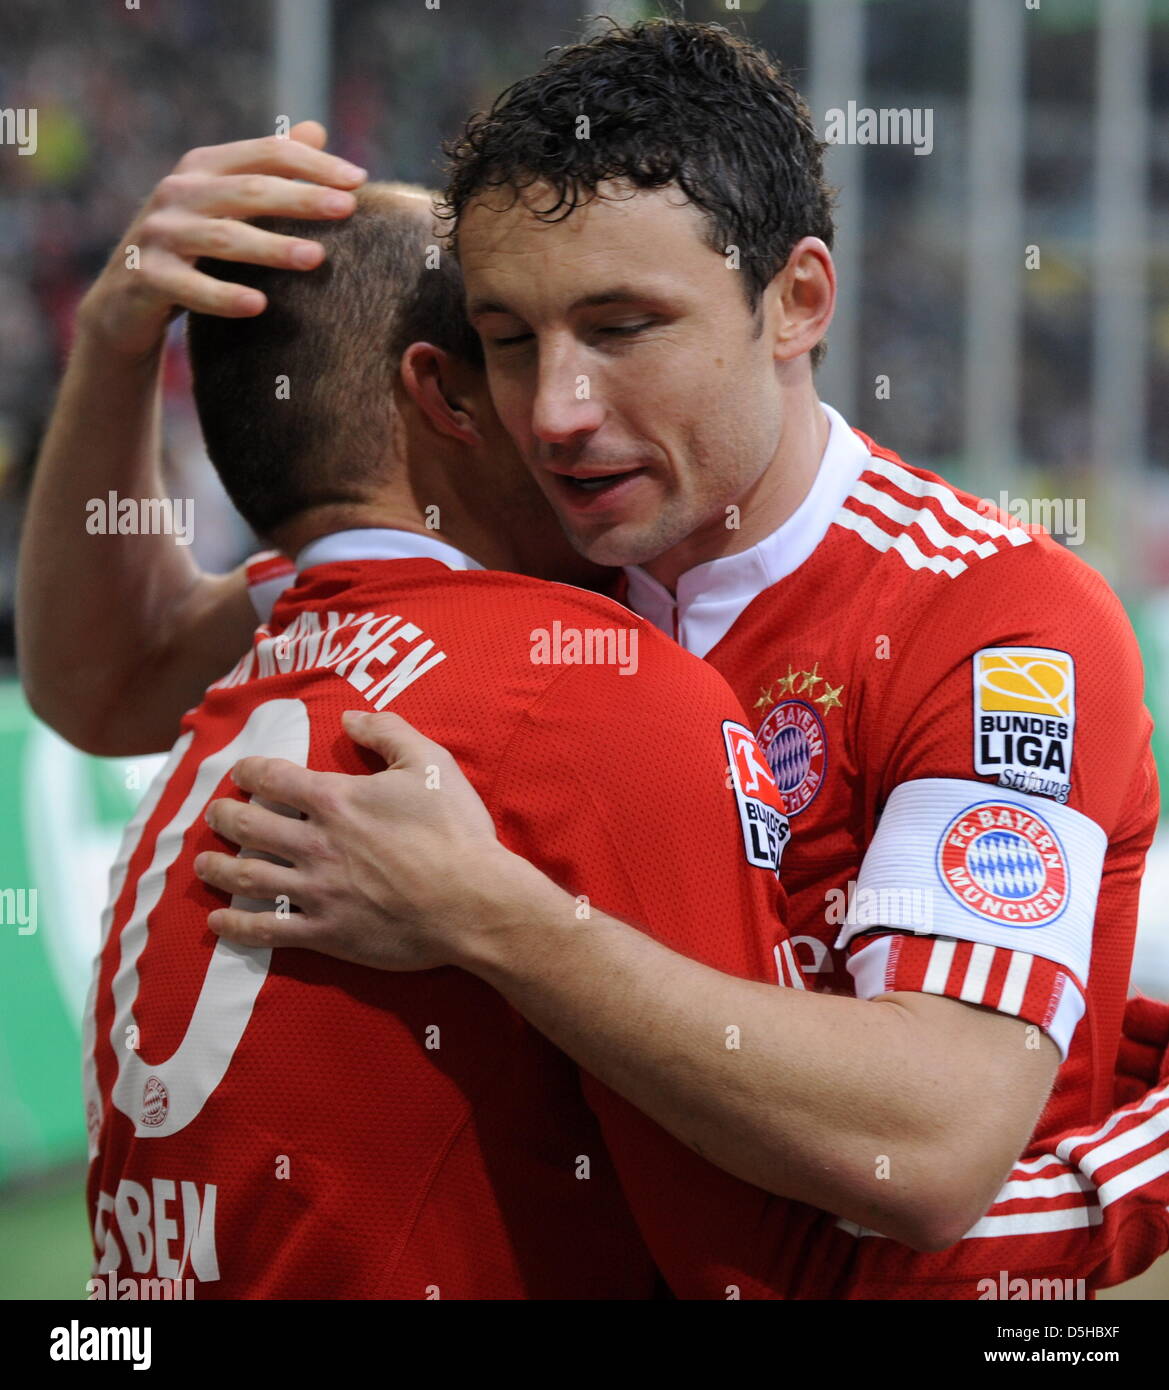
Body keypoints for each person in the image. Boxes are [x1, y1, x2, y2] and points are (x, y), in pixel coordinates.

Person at [19, 29, 1168, 1295]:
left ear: (796, 301)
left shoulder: (988, 621)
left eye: (624, 327)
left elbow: (934, 1145)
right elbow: (104, 684)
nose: (558, 410)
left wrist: (488, 914)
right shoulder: (528, 553)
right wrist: (122, 340)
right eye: (511, 339)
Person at [73, 182, 823, 1300]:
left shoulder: (234, 684)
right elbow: (760, 1241)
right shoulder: (594, 689)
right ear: (449, 398)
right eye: (513, 344)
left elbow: (86, 672)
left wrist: (108, 340)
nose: (569, 406)